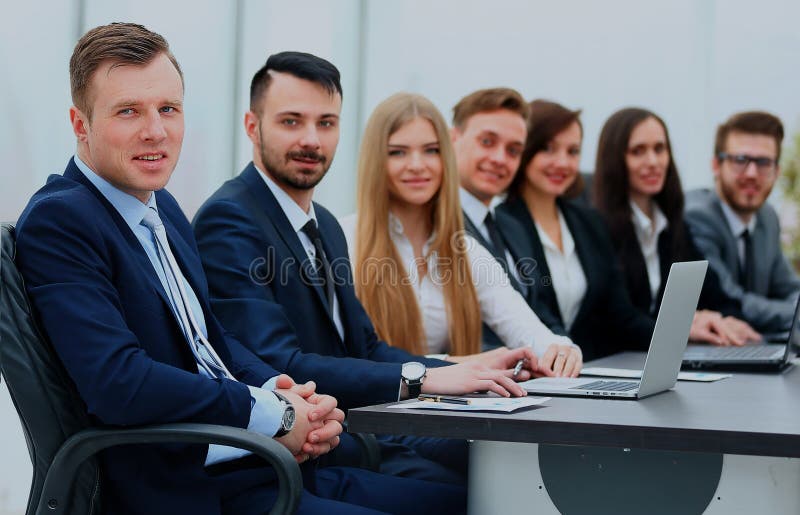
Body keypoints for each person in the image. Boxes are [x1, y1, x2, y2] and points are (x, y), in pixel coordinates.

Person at [15, 23, 464, 515]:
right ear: (80, 124)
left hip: (262, 465)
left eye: (168, 109)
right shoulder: (62, 218)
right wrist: (270, 413)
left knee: (469, 501)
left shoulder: (162, 209)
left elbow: (213, 341)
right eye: (128, 111)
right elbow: (118, 381)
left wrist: (282, 392)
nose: (156, 131)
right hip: (191, 490)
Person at [193, 52, 537, 487]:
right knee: (476, 492)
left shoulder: (324, 225)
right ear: (251, 125)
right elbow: (279, 363)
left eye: (326, 123)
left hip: (360, 432)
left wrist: (463, 372)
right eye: (291, 121)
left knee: (505, 462)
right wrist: (426, 378)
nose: (311, 140)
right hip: (311, 454)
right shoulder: (230, 218)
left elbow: (367, 348)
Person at [340, 92, 581, 376]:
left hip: (448, 402)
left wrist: (563, 350)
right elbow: (345, 356)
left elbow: (527, 329)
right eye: (398, 152)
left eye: (431, 150)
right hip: (367, 402)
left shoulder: (465, 250)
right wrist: (458, 364)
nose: (417, 165)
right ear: (376, 160)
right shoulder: (342, 239)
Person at [499, 100, 656, 361]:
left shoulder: (589, 222)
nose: (562, 162)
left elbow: (620, 313)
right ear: (525, 151)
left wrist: (678, 335)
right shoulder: (502, 224)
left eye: (573, 151)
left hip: (584, 369)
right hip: (532, 370)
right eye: (548, 149)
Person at [593, 107, 760, 346]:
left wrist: (724, 320)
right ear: (614, 159)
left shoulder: (672, 225)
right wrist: (682, 326)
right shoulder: (596, 227)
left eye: (659, 149)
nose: (653, 162)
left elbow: (717, 296)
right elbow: (617, 319)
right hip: (616, 360)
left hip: (665, 357)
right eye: (638, 151)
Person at [451, 87, 567, 345]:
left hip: (538, 363)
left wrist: (566, 354)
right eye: (487, 142)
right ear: (452, 139)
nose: (499, 159)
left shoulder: (513, 226)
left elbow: (542, 315)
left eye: (513, 150)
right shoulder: (434, 225)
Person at [685, 111, 800, 333]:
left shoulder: (767, 217)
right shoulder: (697, 216)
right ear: (716, 165)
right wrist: (793, 314)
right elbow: (732, 300)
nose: (752, 173)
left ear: (776, 171)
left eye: (763, 162)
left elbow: (788, 287)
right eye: (740, 160)